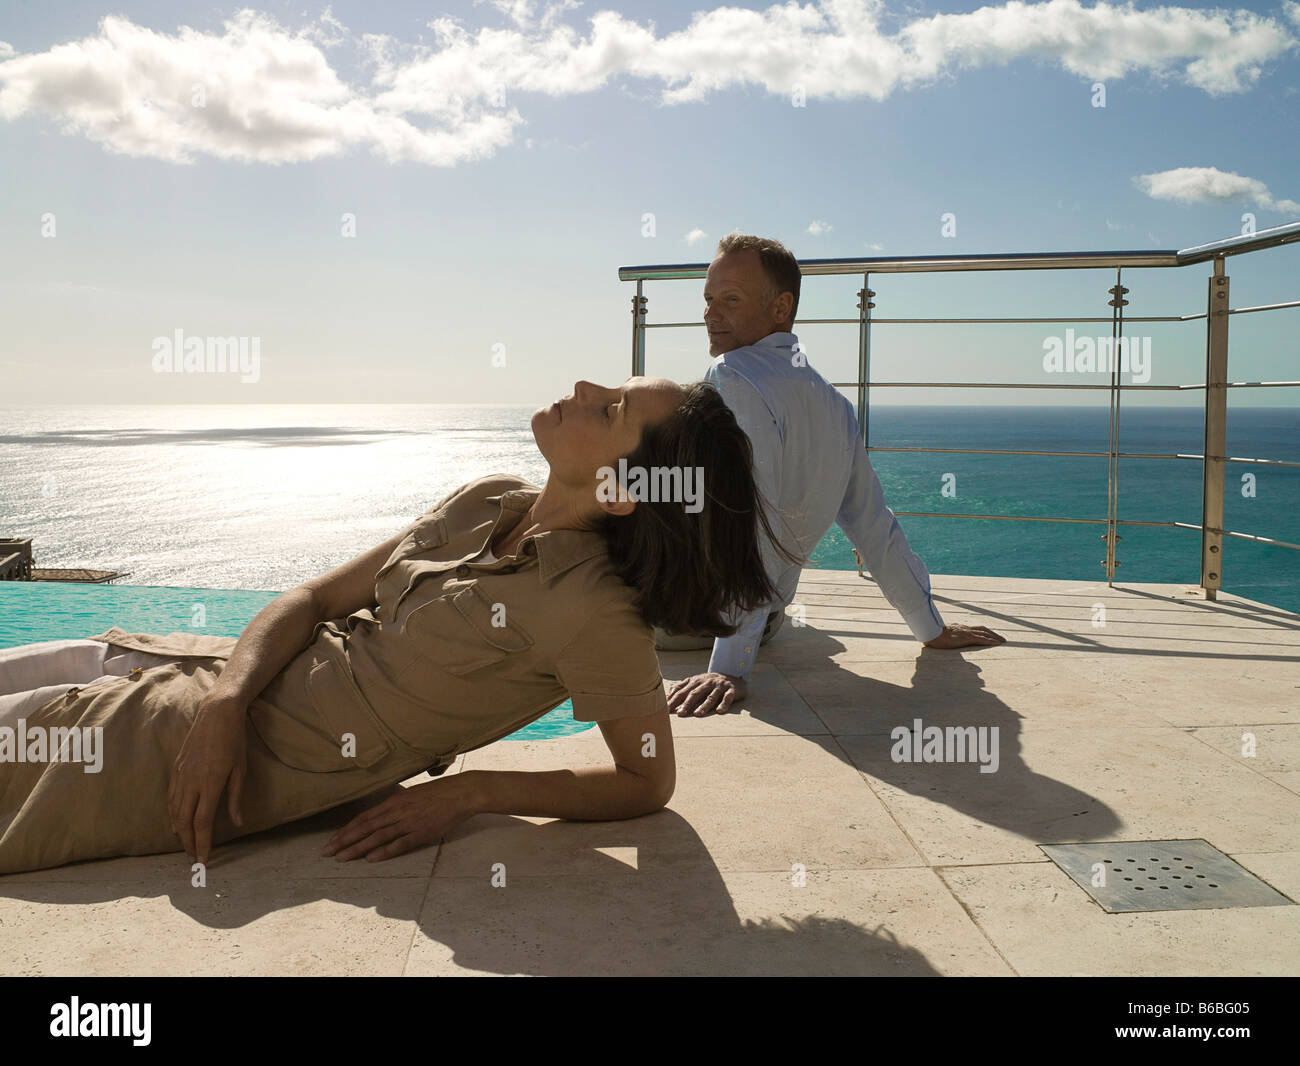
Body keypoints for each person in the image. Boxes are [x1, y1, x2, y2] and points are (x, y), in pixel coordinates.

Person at [0, 377, 794, 875]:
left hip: (175, 746)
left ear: (622, 491)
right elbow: (312, 599)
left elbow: (648, 780)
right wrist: (226, 701)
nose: (583, 386)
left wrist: (471, 793)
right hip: (195, 674)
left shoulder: (592, 613)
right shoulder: (489, 496)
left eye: (611, 409)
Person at [663, 234, 1006, 718]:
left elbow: (752, 519)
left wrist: (731, 664)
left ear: (782, 307)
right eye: (708, 298)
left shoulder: (730, 375)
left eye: (731, 300)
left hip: (693, 620)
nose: (710, 313)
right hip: (768, 621)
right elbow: (873, 525)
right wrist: (929, 626)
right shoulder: (836, 404)